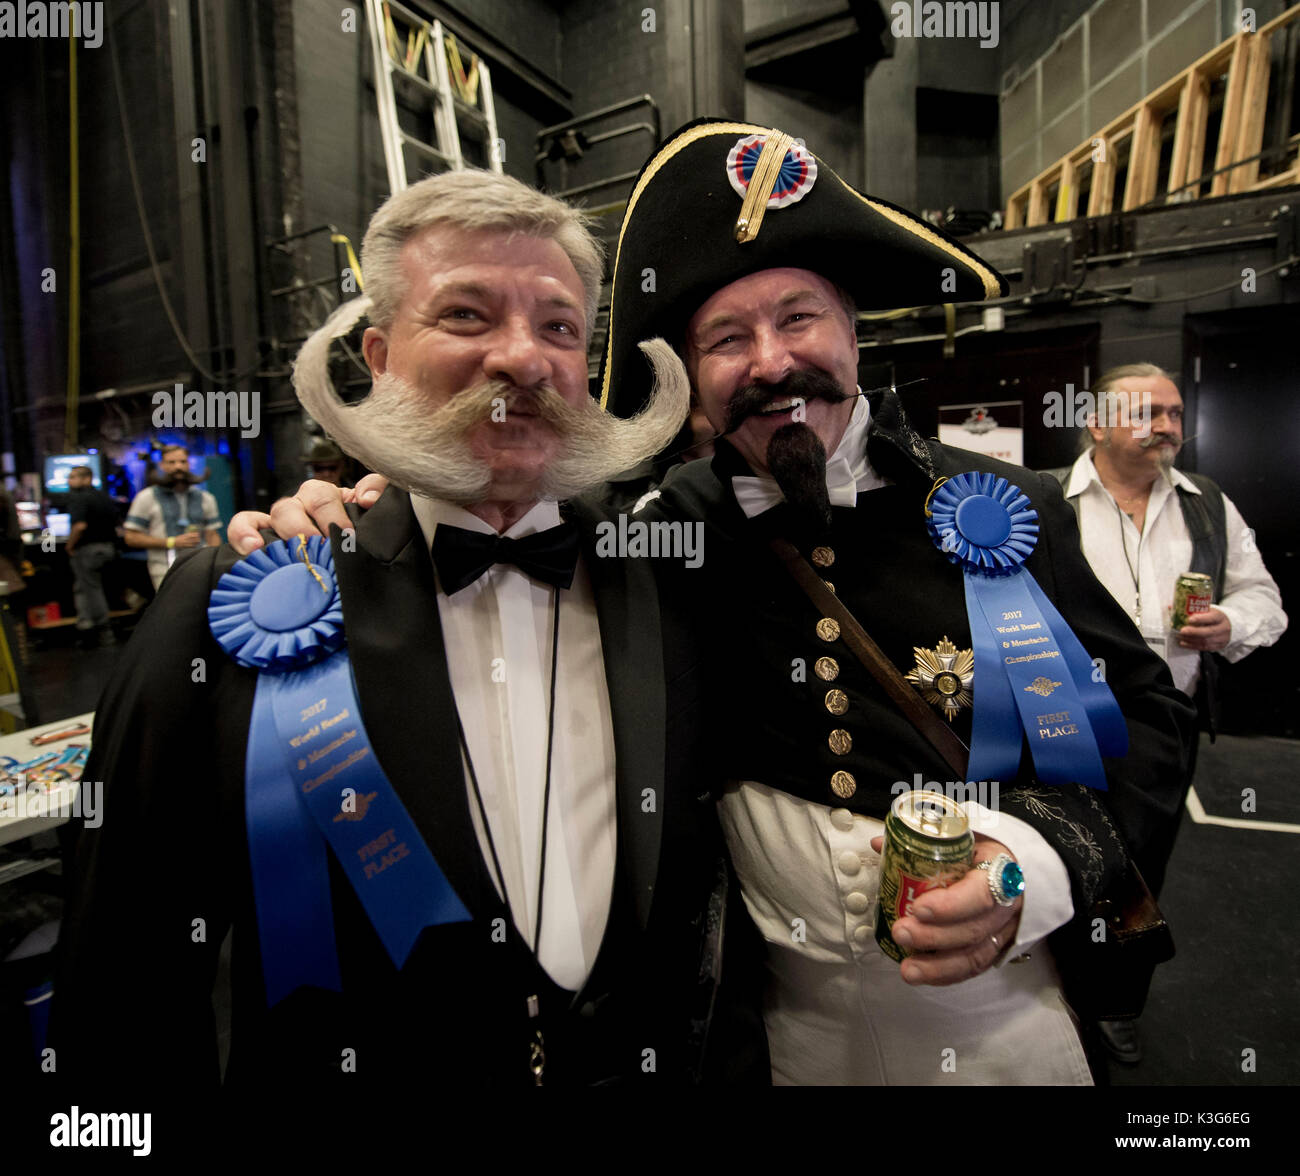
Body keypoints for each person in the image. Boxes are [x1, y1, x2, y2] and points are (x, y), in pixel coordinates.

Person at [239, 122, 1195, 1085]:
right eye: (727, 340)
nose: (773, 363)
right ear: (690, 382)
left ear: (853, 329)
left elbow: (1150, 717)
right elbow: (478, 503)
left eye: (799, 318)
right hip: (771, 1033)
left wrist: (1040, 867)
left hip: (1006, 1020)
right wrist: (362, 504)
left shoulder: (1001, 507)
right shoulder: (654, 535)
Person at [51, 168, 765, 1090]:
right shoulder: (243, 598)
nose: (523, 358)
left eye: (557, 326)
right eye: (466, 316)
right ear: (379, 358)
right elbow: (123, 974)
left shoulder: (671, 588)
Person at [1045, 363, 1286, 1063]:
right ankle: (1044, 991)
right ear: (1095, 423)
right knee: (1055, 858)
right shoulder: (1044, 499)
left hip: (1163, 727)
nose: (1167, 426)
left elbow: (1262, 595)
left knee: (1139, 873)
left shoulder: (1208, 504)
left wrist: (1231, 624)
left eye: (1175, 413)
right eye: (1147, 411)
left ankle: (1117, 1003)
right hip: (1055, 723)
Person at [122, 445, 222, 591]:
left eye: (183, 462)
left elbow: (212, 535)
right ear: (162, 465)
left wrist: (215, 563)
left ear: (188, 464)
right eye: (172, 462)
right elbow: (131, 537)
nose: (178, 467)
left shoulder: (206, 498)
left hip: (201, 567)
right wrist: (171, 542)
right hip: (163, 569)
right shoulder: (146, 497)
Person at [64, 464, 120, 648]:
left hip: (88, 549)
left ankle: (103, 631)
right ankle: (85, 625)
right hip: (109, 548)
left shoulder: (78, 497)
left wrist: (69, 545)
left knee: (90, 589)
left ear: (87, 478)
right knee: (85, 587)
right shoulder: (103, 496)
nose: (69, 481)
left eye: (73, 477)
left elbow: (79, 526)